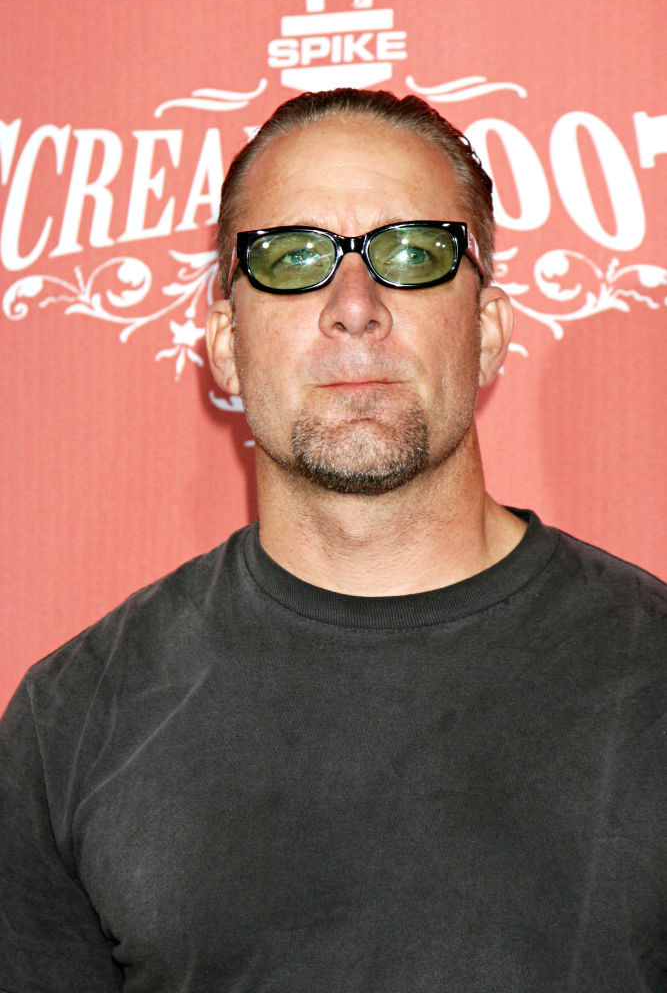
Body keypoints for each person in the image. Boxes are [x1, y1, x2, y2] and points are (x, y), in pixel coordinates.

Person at [0, 88, 665, 992]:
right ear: (224, 344)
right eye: (291, 257)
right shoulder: (73, 721)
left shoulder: (650, 672)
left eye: (413, 252)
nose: (354, 305)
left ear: (487, 334)